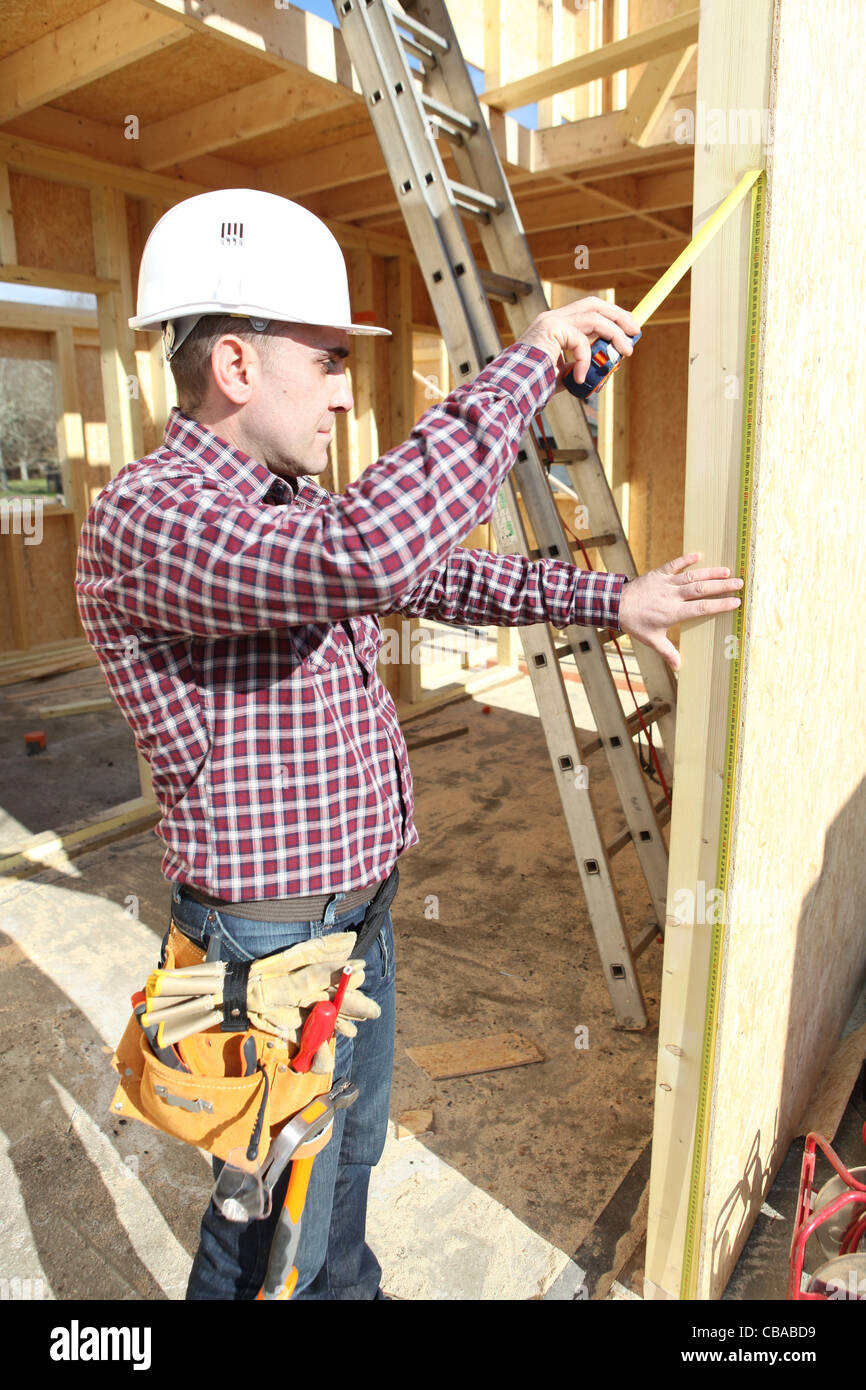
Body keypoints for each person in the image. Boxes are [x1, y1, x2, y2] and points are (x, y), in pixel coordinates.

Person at [74, 188, 743, 1300]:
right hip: (267, 946)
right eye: (330, 360)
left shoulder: (280, 504)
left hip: (351, 921)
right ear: (237, 366)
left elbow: (437, 569)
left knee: (340, 1169)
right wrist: (525, 361)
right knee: (265, 1223)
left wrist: (611, 596)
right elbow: (377, 554)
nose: (346, 391)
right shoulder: (153, 516)